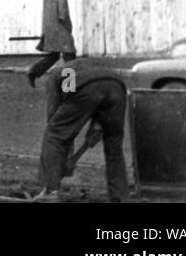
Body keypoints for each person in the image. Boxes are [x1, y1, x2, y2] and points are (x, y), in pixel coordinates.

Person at [34, 57, 129, 203]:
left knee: (54, 134)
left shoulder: (56, 76)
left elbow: (59, 129)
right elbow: (101, 94)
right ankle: (120, 197)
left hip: (89, 85)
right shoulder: (75, 69)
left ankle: (50, 191)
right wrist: (95, 127)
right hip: (117, 86)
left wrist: (63, 161)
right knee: (114, 145)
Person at [28, 0, 76, 86]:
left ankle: (34, 72)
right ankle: (69, 87)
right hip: (61, 31)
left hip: (50, 31)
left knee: (54, 56)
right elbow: (62, 15)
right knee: (70, 57)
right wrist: (69, 28)